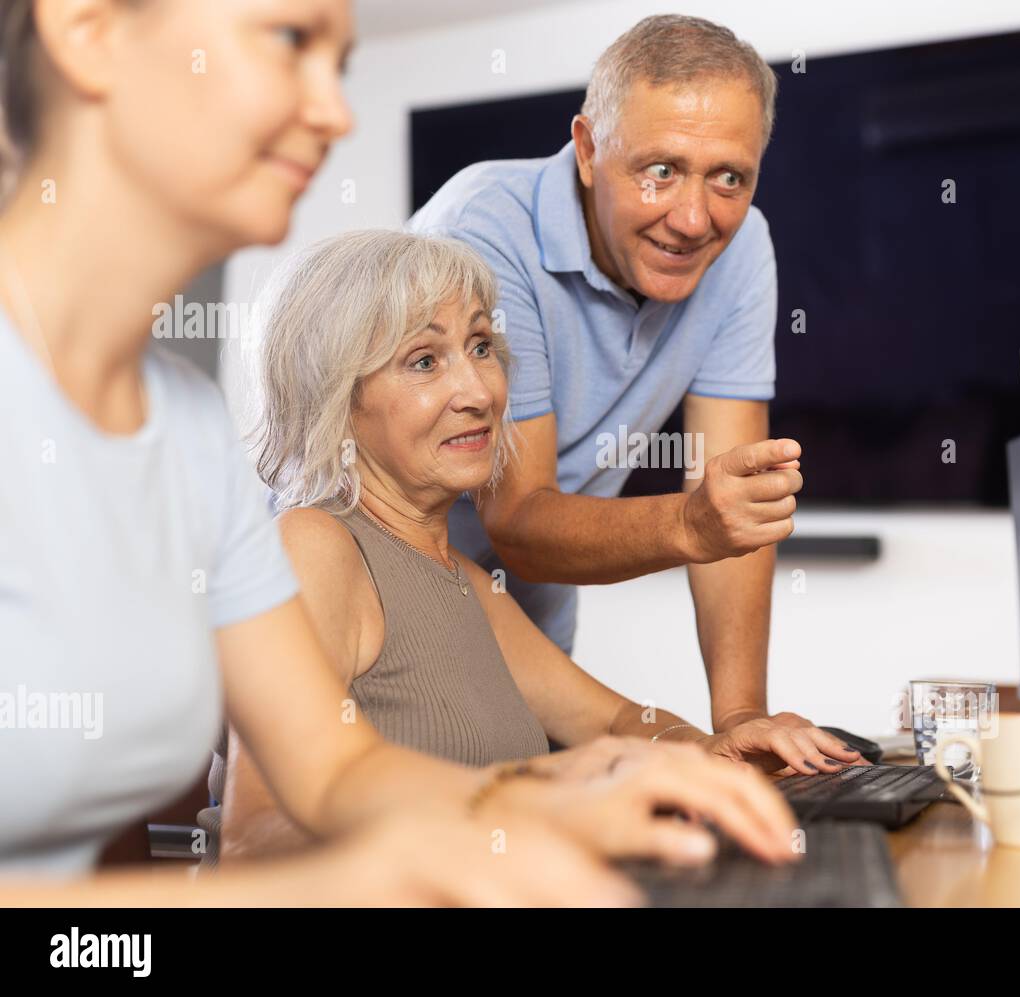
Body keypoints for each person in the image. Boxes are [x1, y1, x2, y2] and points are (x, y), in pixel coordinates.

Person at [0, 0, 794, 906]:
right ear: (87, 29)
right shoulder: (304, 531)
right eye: (291, 41)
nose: (337, 112)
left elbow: (336, 776)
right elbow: (251, 848)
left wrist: (570, 787)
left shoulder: (182, 423)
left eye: (339, 63)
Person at [218, 229, 865, 856]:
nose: (478, 391)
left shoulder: (465, 580)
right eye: (423, 360)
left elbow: (614, 723)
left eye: (479, 346)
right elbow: (257, 835)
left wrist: (710, 749)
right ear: (333, 395)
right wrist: (537, 789)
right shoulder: (314, 547)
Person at [409, 15, 808, 737]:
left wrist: (741, 718)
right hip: (383, 611)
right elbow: (520, 519)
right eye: (661, 170)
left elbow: (732, 509)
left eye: (729, 177)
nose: (694, 219)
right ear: (588, 149)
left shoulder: (743, 251)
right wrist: (690, 521)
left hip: (528, 628)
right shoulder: (481, 235)